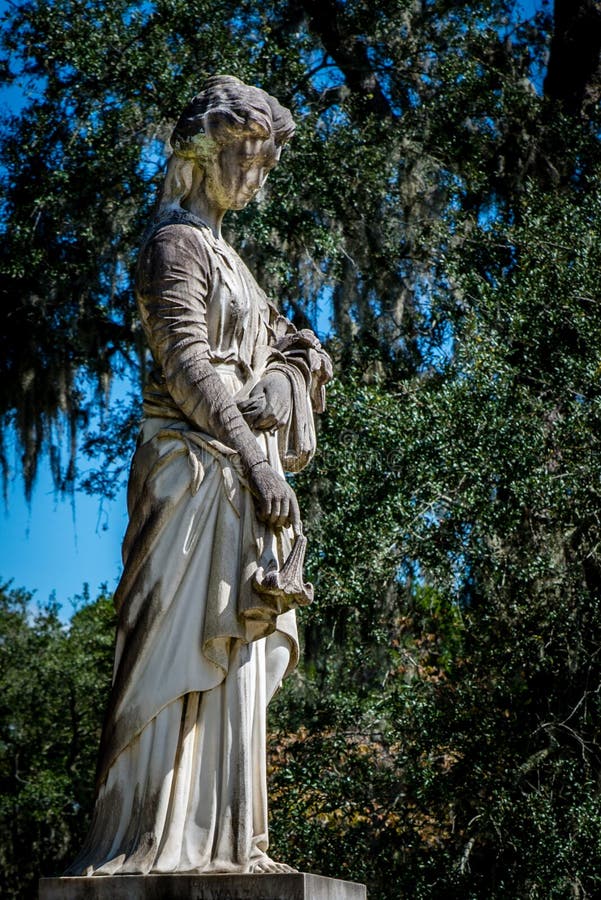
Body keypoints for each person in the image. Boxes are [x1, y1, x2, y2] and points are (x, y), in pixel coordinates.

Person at [66, 75, 331, 877]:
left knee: (236, 674)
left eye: (264, 164)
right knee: (173, 659)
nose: (257, 177)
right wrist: (257, 461)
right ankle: (160, 838)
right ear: (203, 153)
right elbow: (186, 365)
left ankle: (227, 840)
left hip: (237, 493)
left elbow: (299, 344)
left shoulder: (232, 260)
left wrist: (288, 378)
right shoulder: (173, 244)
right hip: (190, 481)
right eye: (246, 159)